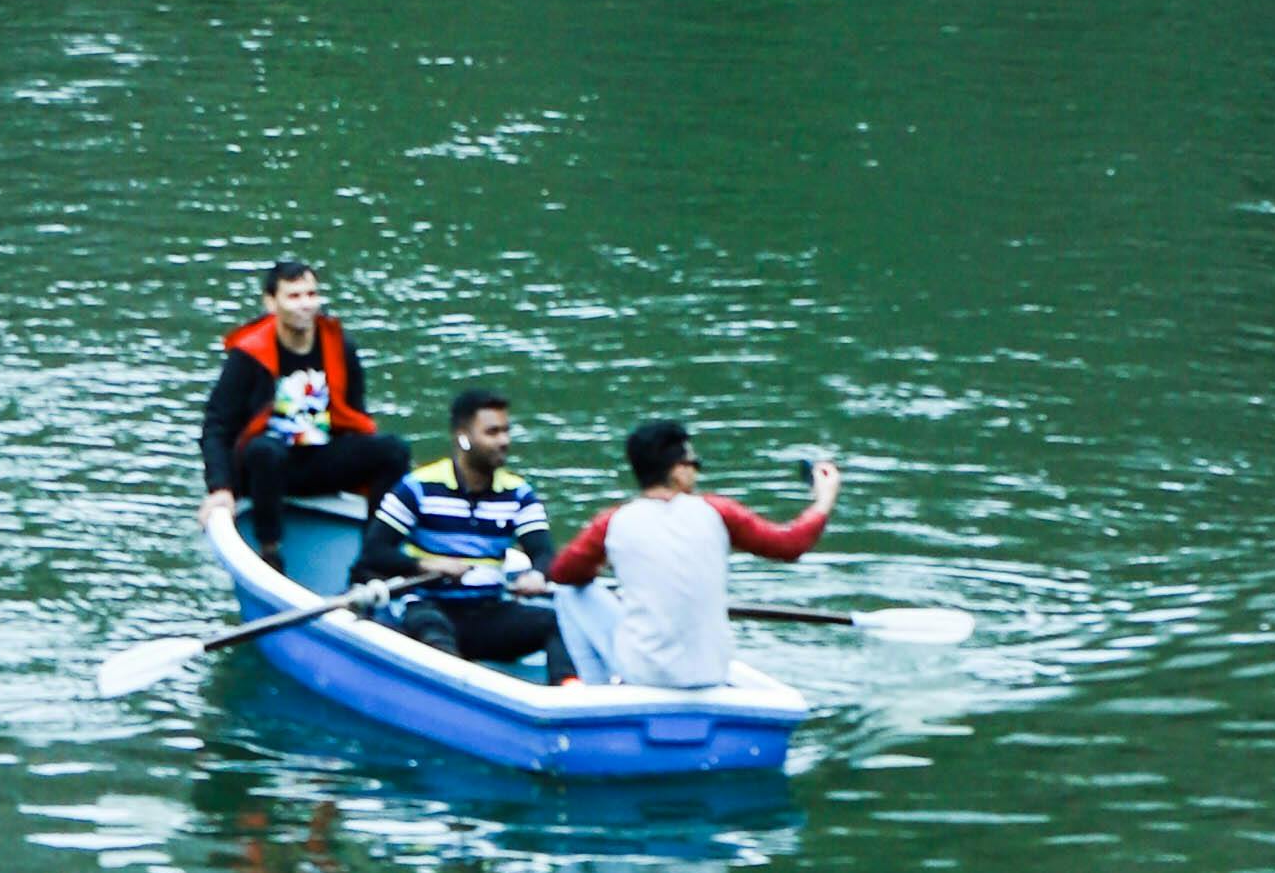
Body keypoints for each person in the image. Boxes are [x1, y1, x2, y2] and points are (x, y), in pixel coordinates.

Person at [549, 420, 838, 689]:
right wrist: (824, 499)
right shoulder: (718, 512)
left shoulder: (611, 523)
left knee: (568, 593)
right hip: (710, 672)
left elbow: (564, 573)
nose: (697, 473)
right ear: (677, 470)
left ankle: (597, 694)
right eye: (694, 464)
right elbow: (790, 545)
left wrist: (603, 564)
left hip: (645, 674)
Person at [200, 258, 410, 527]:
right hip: (264, 467)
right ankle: (269, 548)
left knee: (393, 450)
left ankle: (376, 546)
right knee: (265, 452)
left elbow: (355, 414)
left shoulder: (340, 346)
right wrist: (221, 487)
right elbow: (217, 425)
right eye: (294, 296)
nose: (305, 305)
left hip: (318, 456)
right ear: (271, 303)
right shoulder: (248, 355)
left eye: (311, 295)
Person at [371, 388, 568, 672]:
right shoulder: (417, 488)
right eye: (492, 432)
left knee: (559, 623)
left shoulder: (519, 493)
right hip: (428, 606)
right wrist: (427, 564)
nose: (504, 441)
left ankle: (565, 697)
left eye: (506, 431)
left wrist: (538, 573)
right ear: (463, 437)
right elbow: (374, 554)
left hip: (487, 611)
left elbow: (544, 552)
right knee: (434, 634)